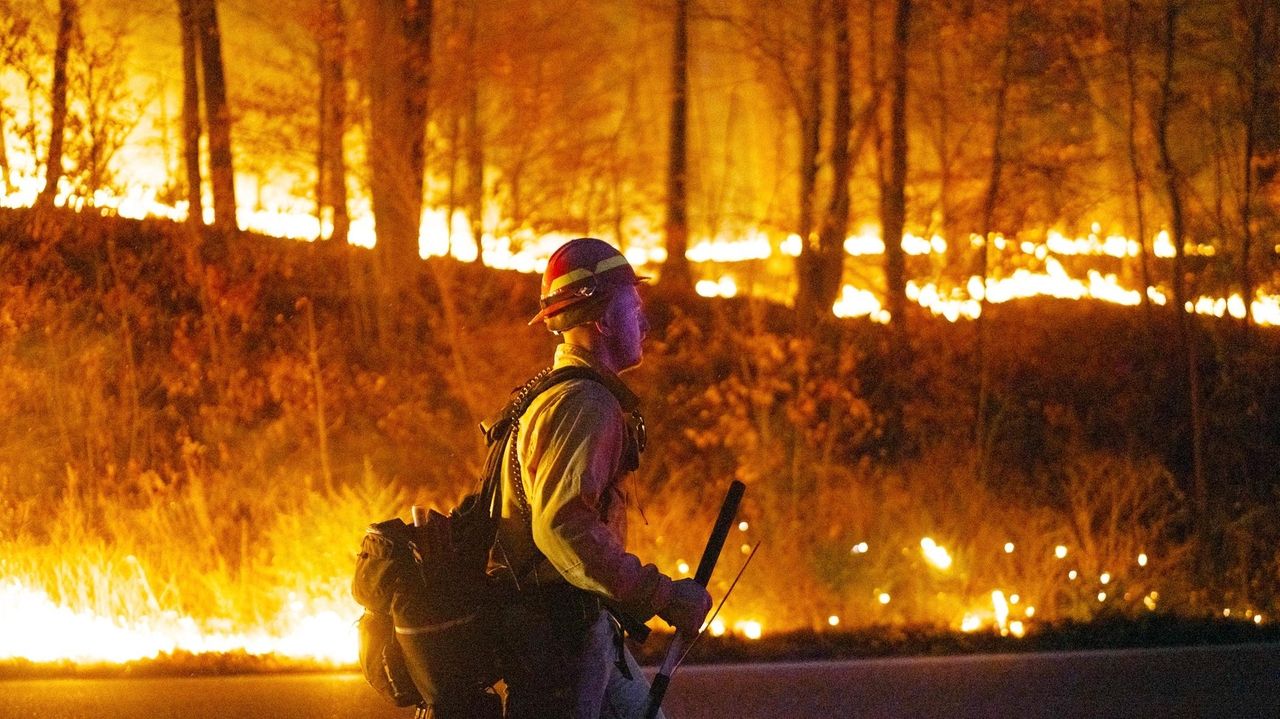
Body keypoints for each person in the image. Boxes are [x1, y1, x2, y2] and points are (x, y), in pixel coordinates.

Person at [491, 237, 712, 719]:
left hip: (582, 630)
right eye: (634, 306)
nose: (646, 323)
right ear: (604, 320)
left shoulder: (553, 395)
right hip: (560, 641)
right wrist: (663, 596)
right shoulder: (586, 404)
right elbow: (562, 526)